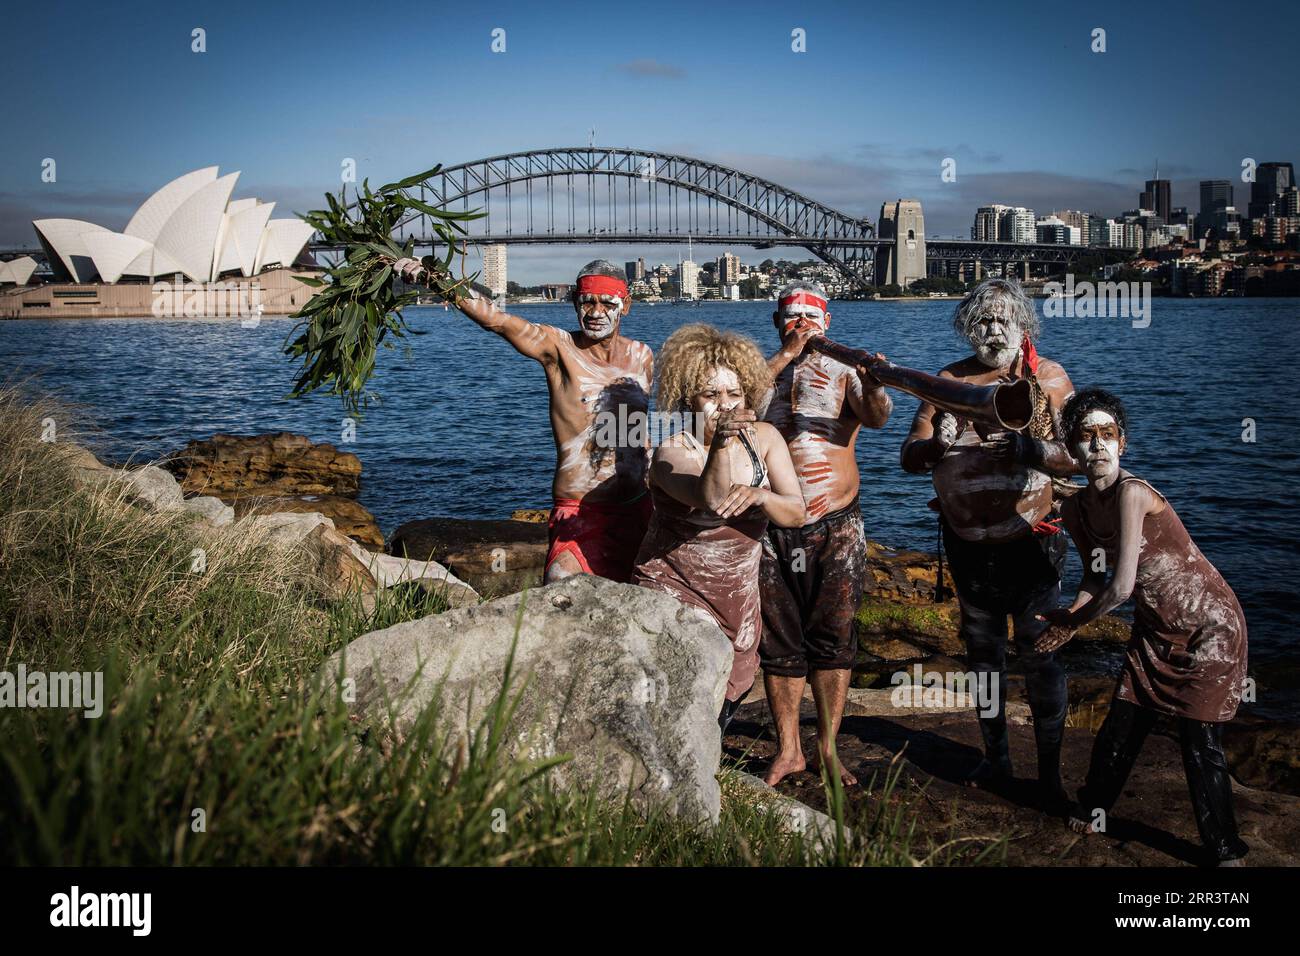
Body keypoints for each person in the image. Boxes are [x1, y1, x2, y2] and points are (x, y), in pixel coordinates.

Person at [1036, 388, 1249, 866]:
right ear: (1072, 448)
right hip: (1155, 630)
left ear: (1122, 443)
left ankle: (1224, 849)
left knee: (1199, 742)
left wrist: (1074, 625)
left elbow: (1122, 587)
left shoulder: (1133, 493)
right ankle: (1095, 809)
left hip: (1209, 626)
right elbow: (1095, 577)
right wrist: (1072, 611)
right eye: (1086, 436)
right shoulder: (1075, 509)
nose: (1098, 445)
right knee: (1121, 726)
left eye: (1107, 434)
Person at [900, 277, 1079, 807]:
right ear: (966, 326)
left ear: (1024, 324)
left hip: (1031, 544)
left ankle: (1050, 776)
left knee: (1041, 655)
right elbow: (909, 456)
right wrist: (934, 444)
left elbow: (1076, 456)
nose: (993, 328)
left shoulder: (1046, 378)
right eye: (983, 319)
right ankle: (996, 758)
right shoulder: (948, 380)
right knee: (983, 655)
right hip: (966, 544)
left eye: (1004, 318)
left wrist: (1028, 450)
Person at [632, 325, 805, 731]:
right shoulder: (671, 451)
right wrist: (723, 445)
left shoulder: (764, 438)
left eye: (733, 394)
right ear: (688, 399)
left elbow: (796, 512)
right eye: (710, 396)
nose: (724, 407)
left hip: (736, 599)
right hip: (676, 591)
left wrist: (761, 496)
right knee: (682, 702)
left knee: (728, 694)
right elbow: (711, 498)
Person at [759, 280, 892, 786]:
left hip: (836, 522)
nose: (802, 325)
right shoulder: (760, 375)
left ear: (828, 323)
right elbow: (734, 411)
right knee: (779, 638)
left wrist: (875, 383)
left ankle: (829, 750)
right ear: (777, 322)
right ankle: (788, 749)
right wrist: (785, 355)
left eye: (810, 317)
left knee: (834, 635)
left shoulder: (844, 370)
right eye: (792, 317)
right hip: (773, 524)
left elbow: (877, 419)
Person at [448, 259, 653, 583]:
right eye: (587, 302)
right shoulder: (558, 348)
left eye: (607, 303)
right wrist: (436, 279)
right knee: (562, 602)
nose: (596, 312)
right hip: (579, 513)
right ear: (575, 303)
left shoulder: (643, 356)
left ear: (625, 305)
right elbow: (498, 321)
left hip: (638, 509)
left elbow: (637, 430)